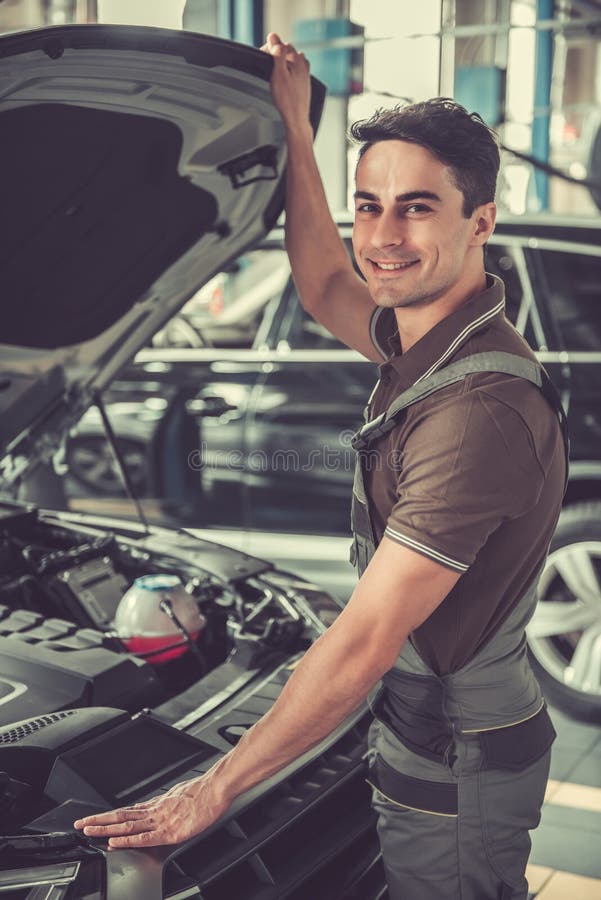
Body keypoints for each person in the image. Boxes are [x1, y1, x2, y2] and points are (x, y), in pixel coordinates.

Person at [75, 33, 568, 900]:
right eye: (366, 205)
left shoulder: (476, 413)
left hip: (455, 759)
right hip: (434, 734)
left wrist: (213, 791)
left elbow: (363, 642)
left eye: (415, 208)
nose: (381, 236)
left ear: (479, 221)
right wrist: (299, 134)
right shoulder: (428, 336)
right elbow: (323, 283)